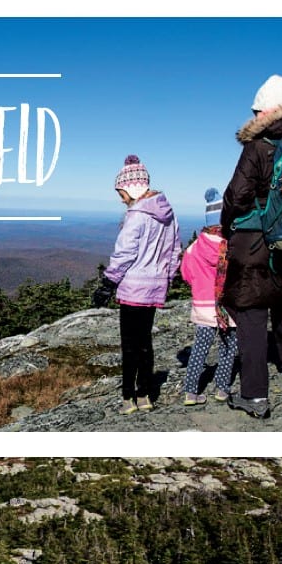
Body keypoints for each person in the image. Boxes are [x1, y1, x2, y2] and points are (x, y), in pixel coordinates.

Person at [221, 75, 282, 419]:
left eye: (258, 109)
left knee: (251, 310)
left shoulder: (260, 145)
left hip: (256, 240)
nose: (254, 114)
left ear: (272, 109)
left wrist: (226, 227)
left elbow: (237, 195)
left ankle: (255, 396)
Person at [96, 154, 181, 415]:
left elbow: (124, 254)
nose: (120, 198)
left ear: (132, 188)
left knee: (129, 345)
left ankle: (127, 398)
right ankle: (145, 394)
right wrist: (165, 280)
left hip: (133, 287)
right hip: (154, 289)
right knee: (145, 342)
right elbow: (175, 252)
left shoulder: (136, 216)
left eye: (120, 192)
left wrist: (108, 283)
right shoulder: (168, 215)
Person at [179, 188, 238, 405]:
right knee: (228, 348)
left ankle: (191, 392)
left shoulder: (194, 248)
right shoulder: (234, 246)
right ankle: (222, 389)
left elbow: (186, 274)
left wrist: (200, 284)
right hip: (228, 306)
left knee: (199, 349)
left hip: (203, 306)